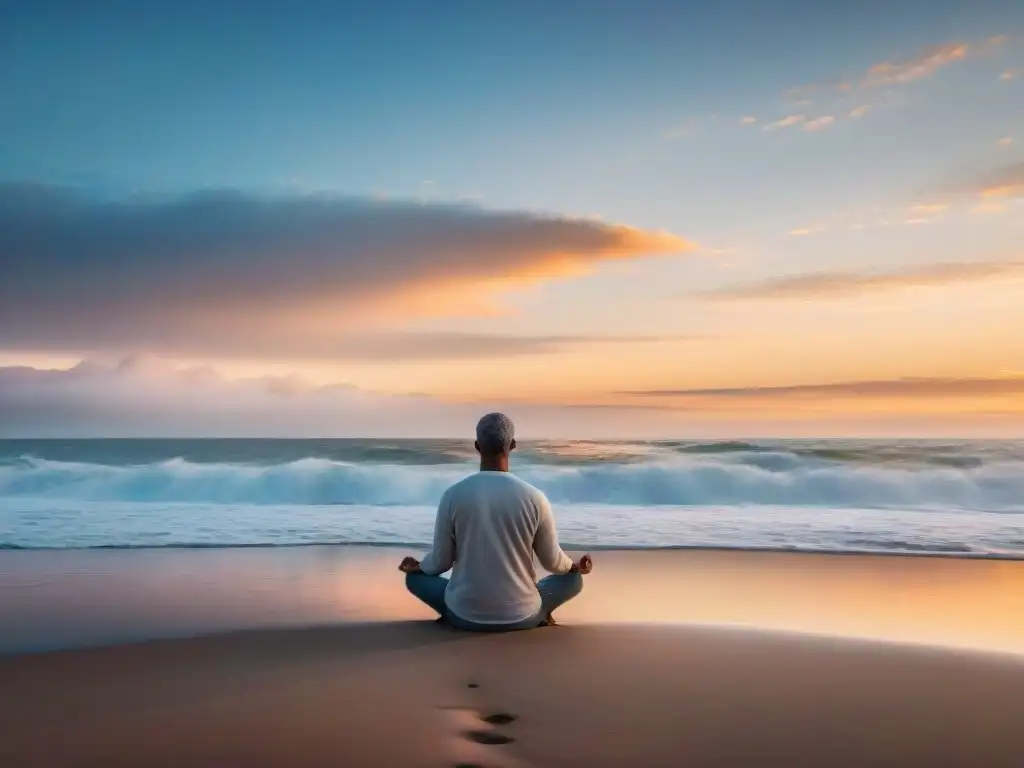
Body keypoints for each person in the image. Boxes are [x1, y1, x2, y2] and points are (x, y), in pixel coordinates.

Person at [399, 413, 592, 631]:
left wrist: (419, 567)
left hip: (463, 615)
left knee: (414, 580)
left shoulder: (453, 495)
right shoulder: (535, 497)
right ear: (513, 445)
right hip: (522, 616)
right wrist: (572, 567)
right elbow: (552, 563)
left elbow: (441, 563)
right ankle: (536, 610)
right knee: (572, 580)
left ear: (477, 446)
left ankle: (456, 610)